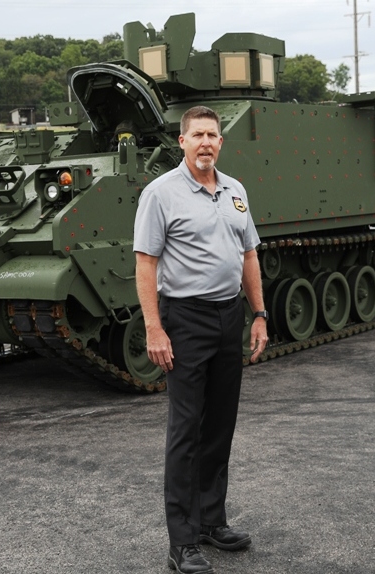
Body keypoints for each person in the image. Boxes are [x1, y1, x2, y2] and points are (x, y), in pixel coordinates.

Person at [134, 105, 269, 574]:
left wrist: (259, 314)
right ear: (182, 141)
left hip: (229, 316)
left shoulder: (235, 191)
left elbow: (248, 254)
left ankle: (212, 521)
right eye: (198, 135)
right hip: (185, 319)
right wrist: (154, 327)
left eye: (213, 135)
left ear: (220, 142)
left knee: (220, 426)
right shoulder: (160, 194)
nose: (206, 142)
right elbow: (146, 264)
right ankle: (182, 543)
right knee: (185, 431)